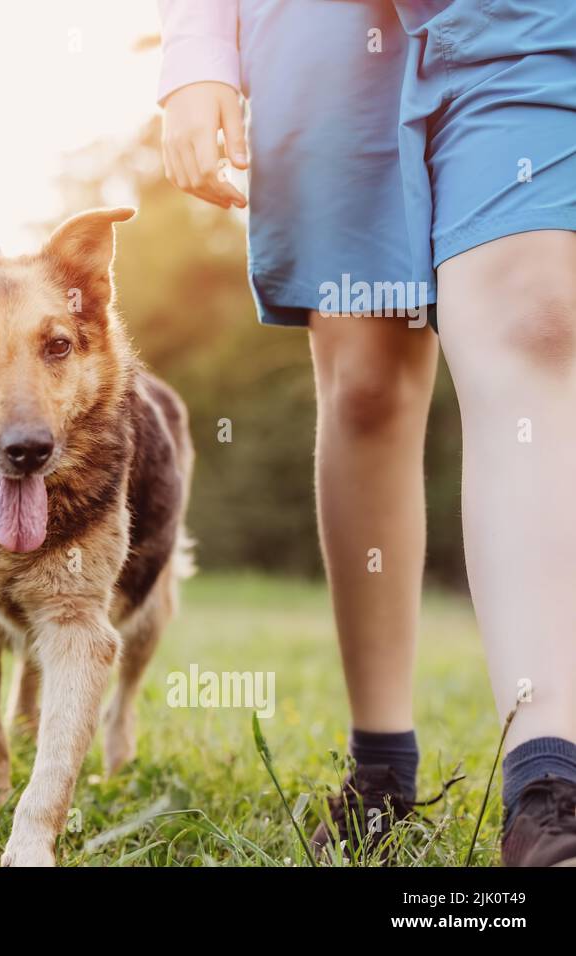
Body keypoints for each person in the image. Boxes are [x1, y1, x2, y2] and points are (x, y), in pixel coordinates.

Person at [159, 0, 576, 866]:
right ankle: (381, 765)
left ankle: (550, 783)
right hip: (323, 29)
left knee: (539, 317)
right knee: (367, 387)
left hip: (522, 17)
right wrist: (198, 48)